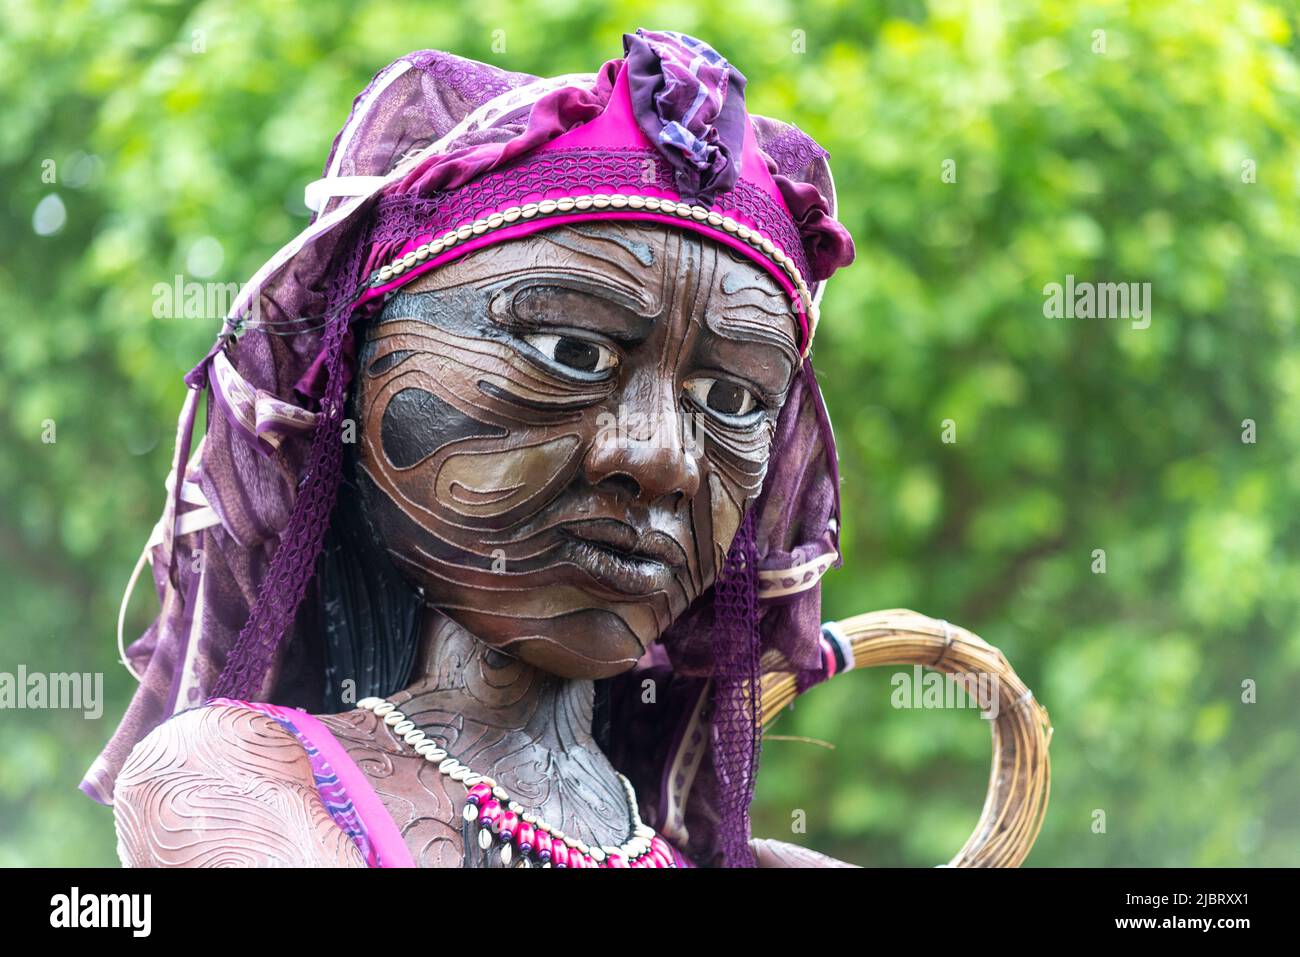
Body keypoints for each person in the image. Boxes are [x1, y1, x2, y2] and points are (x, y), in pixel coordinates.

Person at [88, 29, 857, 867]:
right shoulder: (241, 778)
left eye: (733, 400)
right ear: (358, 378)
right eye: (572, 353)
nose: (664, 458)